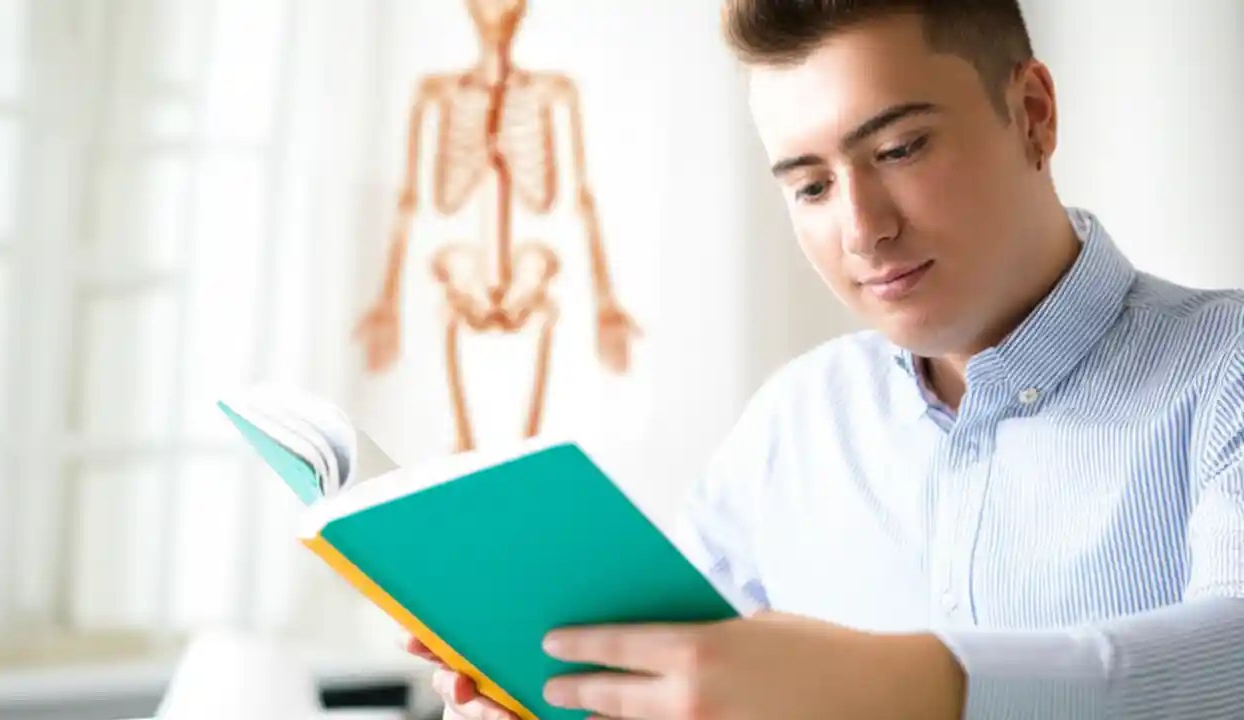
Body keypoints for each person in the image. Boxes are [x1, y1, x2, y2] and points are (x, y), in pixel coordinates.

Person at [409, 1, 1244, 717]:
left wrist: (897, 685)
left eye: (900, 149)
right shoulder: (794, 422)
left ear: (1032, 113)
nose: (862, 230)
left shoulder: (1225, 371)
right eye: (810, 186)